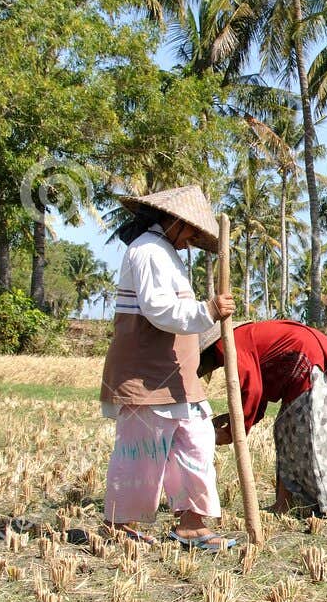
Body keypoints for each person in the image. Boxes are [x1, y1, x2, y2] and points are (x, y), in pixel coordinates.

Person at [100, 185, 235, 552]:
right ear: (174, 221)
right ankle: (118, 524)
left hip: (175, 373)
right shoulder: (147, 251)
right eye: (190, 230)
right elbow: (159, 310)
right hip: (146, 372)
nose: (192, 239)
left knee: (198, 440)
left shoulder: (166, 254)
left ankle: (191, 523)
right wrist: (208, 311)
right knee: (141, 450)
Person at [196, 319, 327, 517]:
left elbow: (252, 390)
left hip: (310, 361)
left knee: (313, 438)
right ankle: (284, 502)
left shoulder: (226, 344)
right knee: (284, 432)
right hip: (306, 361)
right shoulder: (236, 339)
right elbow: (257, 388)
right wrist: (233, 418)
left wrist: (232, 432)